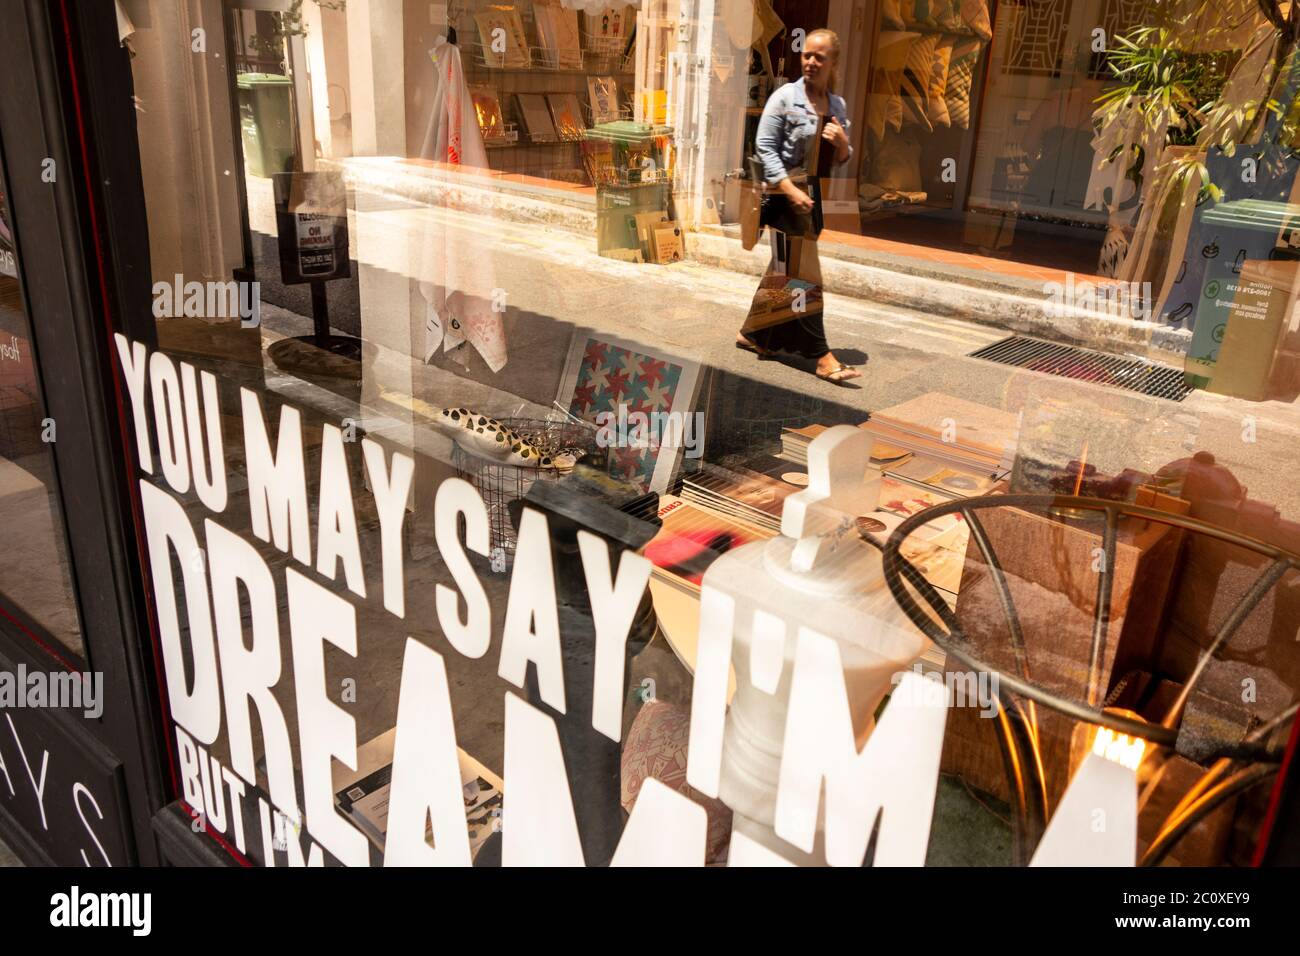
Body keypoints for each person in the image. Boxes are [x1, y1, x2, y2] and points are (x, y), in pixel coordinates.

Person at [737, 29, 861, 384]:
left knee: (783, 271)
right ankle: (820, 355)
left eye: (819, 57)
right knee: (806, 277)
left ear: (832, 62)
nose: (810, 61)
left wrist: (843, 145)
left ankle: (755, 334)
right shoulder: (784, 98)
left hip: (812, 199)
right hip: (782, 199)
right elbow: (764, 149)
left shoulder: (837, 107)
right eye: (806, 54)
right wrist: (790, 189)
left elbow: (839, 160)